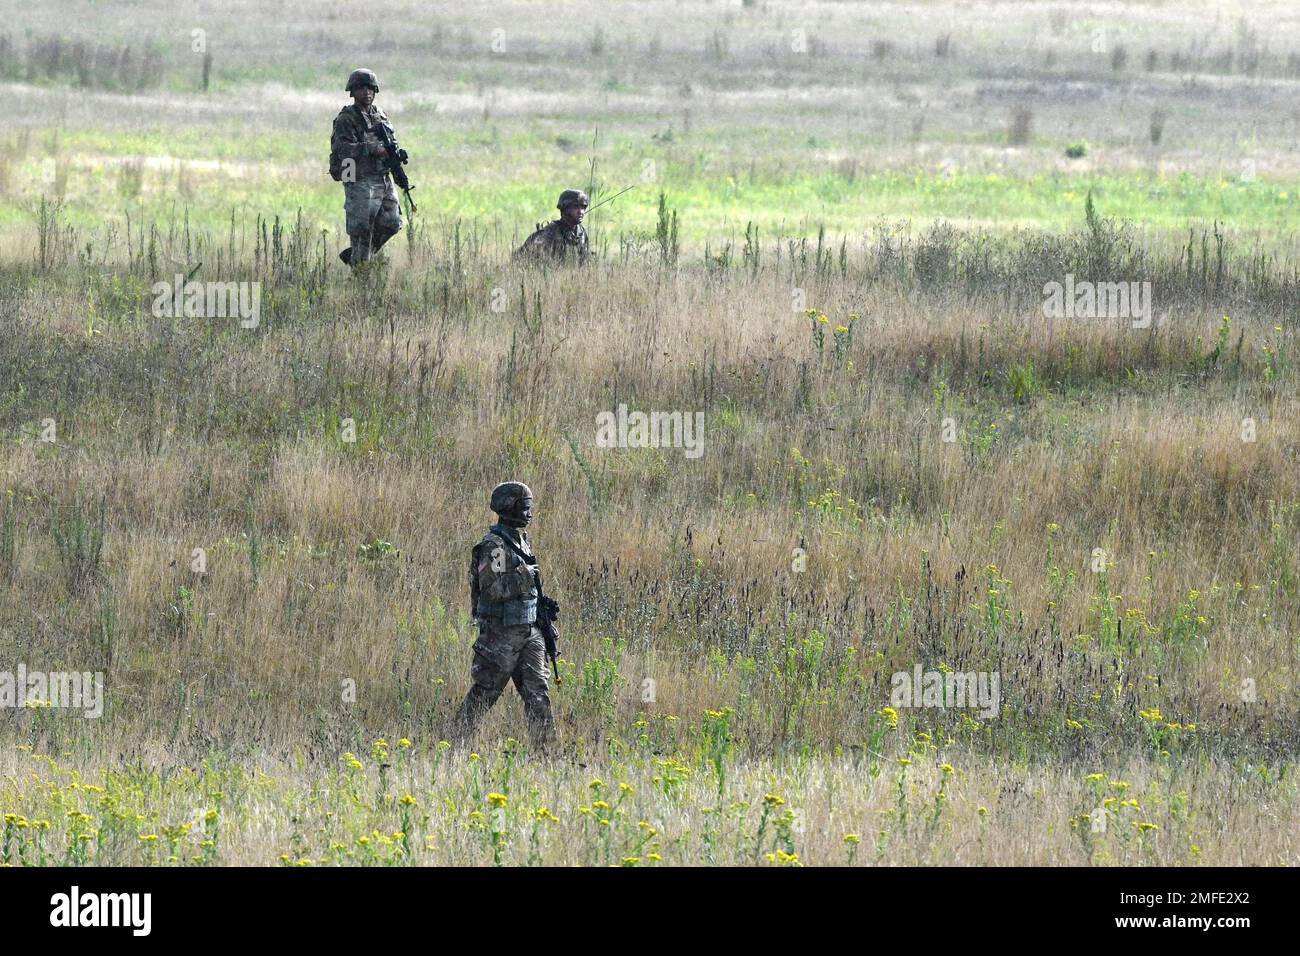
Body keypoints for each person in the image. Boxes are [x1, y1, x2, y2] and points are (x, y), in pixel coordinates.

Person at [452, 482, 557, 749]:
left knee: (539, 695)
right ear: (509, 507)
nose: (529, 513)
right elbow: (492, 589)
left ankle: (546, 755)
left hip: (528, 632)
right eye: (524, 507)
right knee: (485, 693)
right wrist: (523, 576)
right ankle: (454, 747)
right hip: (501, 634)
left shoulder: (522, 541)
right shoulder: (495, 546)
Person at [329, 69, 404, 267]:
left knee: (392, 222)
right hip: (358, 177)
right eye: (361, 88)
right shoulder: (346, 118)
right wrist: (371, 148)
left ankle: (358, 256)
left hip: (381, 176)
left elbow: (390, 141)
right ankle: (361, 273)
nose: (367, 92)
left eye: (370, 88)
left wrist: (395, 153)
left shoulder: (380, 115)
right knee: (361, 228)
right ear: (352, 91)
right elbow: (342, 150)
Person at [514, 189, 591, 263]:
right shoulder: (549, 233)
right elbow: (527, 261)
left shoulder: (581, 233)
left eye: (583, 207)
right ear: (565, 208)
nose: (581, 212)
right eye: (575, 207)